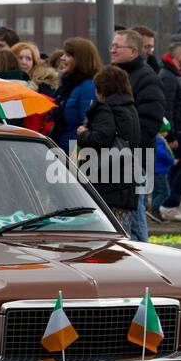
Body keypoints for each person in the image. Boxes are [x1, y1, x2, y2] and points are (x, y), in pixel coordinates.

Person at [77, 66, 144, 237]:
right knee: (122, 239)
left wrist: (83, 134)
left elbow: (101, 138)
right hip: (127, 186)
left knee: (104, 239)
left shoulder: (106, 109)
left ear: (102, 89)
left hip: (108, 186)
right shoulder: (131, 110)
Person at [111, 29, 164, 241]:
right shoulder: (116, 74)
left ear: (133, 51)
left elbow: (151, 120)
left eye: (117, 46)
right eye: (112, 45)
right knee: (129, 214)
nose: (112, 49)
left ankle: (143, 253)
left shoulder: (146, 78)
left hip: (134, 158)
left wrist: (126, 147)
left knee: (135, 213)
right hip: (115, 157)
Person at [155, 42, 181, 222]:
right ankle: (169, 203)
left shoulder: (174, 74)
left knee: (180, 165)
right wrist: (170, 134)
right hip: (179, 130)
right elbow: (166, 107)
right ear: (178, 55)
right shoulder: (168, 76)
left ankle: (166, 203)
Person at [52, 37, 101, 155]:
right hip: (62, 149)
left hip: (74, 153)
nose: (62, 58)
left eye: (68, 55)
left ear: (80, 60)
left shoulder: (87, 87)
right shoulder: (69, 85)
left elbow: (88, 125)